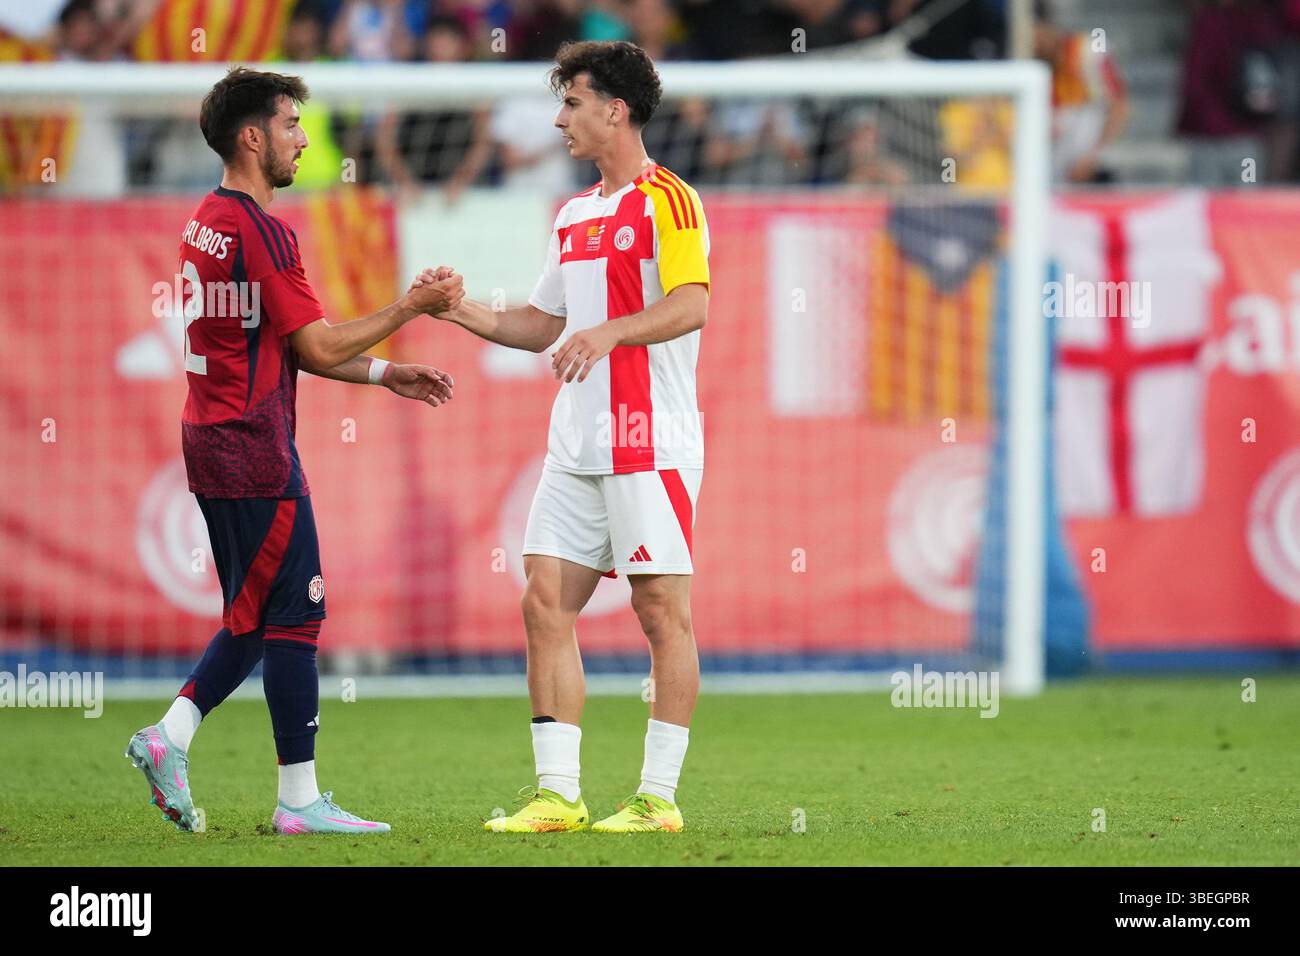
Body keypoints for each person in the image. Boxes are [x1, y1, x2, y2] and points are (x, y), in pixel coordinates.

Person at [125, 66, 463, 835]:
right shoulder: (262, 230)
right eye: (289, 125)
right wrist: (411, 307)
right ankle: (296, 801)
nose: (304, 139)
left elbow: (296, 350)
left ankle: (172, 738)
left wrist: (383, 373)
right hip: (254, 446)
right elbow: (314, 340)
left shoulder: (204, 220)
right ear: (253, 137)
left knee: (253, 615)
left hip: (212, 437)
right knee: (296, 614)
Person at [414, 40, 708, 833]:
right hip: (577, 443)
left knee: (659, 615)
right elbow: (542, 324)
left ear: (616, 110)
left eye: (572, 103)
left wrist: (610, 332)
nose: (559, 118)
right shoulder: (573, 214)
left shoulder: (671, 201)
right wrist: (459, 309)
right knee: (543, 602)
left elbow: (692, 304)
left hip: (652, 440)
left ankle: (657, 800)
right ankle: (558, 795)